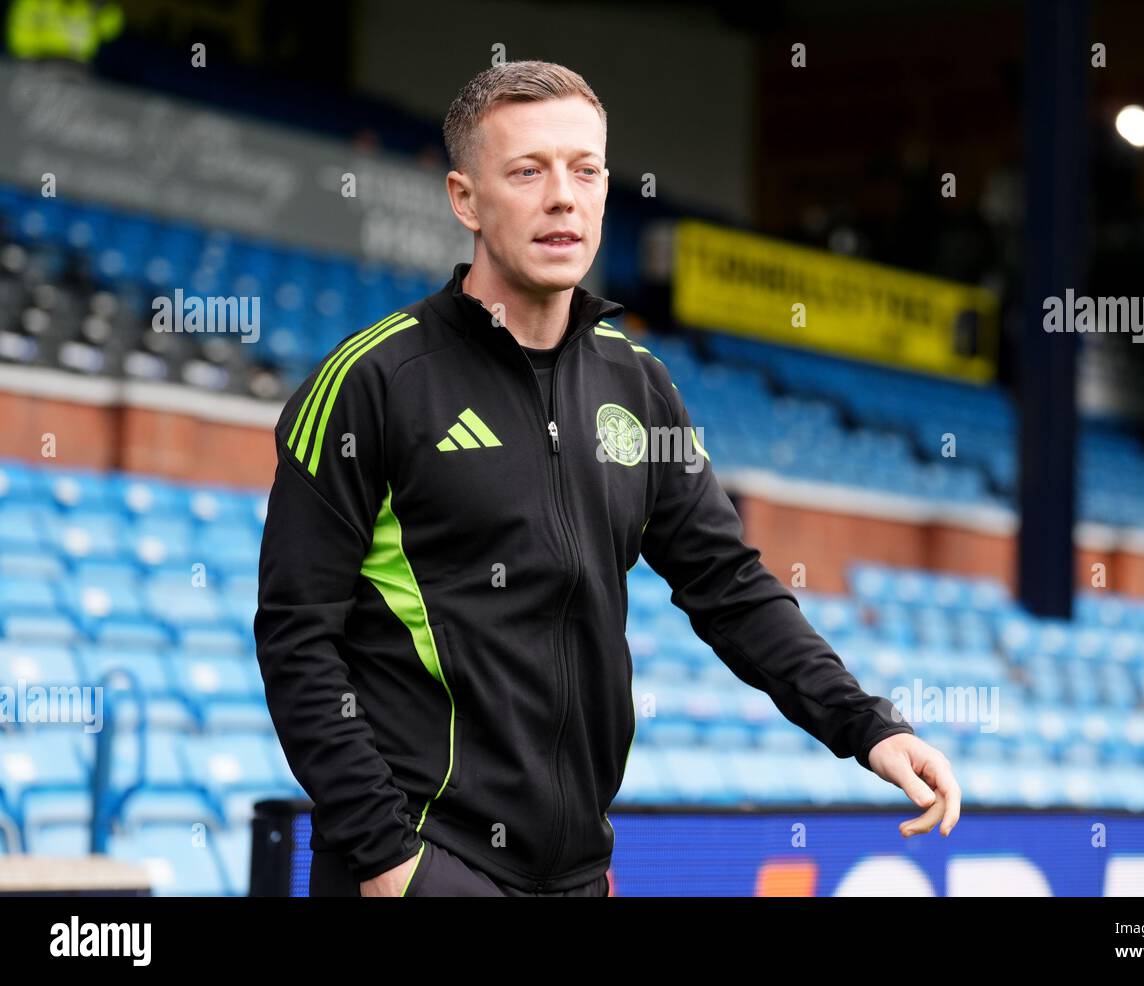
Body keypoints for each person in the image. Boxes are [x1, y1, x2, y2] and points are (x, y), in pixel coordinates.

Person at [254, 59, 961, 898]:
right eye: (527, 171)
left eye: (585, 170)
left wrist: (866, 725)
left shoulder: (639, 385)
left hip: (577, 870)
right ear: (464, 199)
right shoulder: (373, 382)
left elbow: (727, 584)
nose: (564, 196)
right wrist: (386, 859)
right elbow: (297, 637)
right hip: (422, 861)